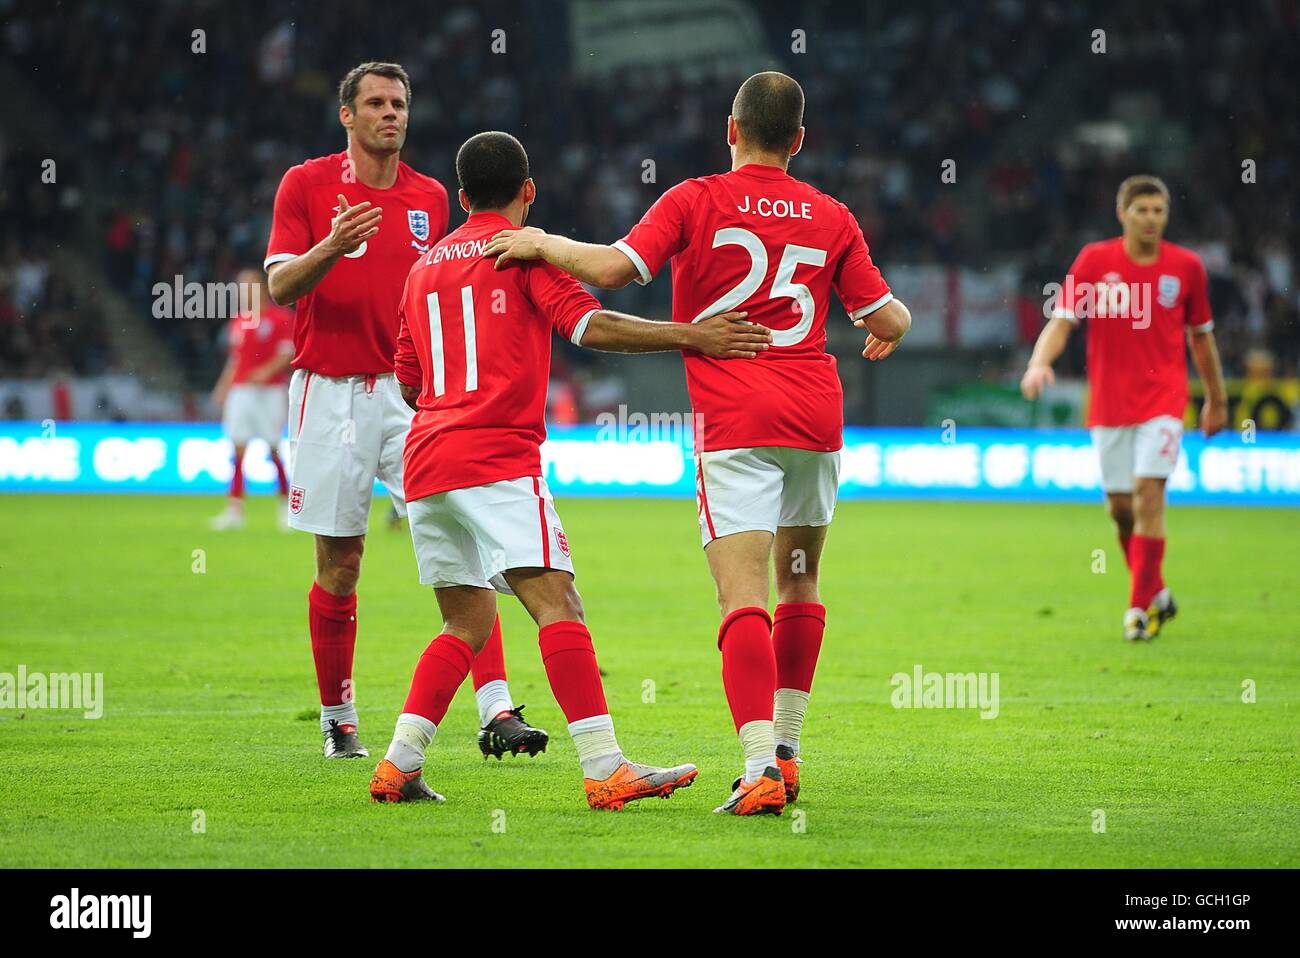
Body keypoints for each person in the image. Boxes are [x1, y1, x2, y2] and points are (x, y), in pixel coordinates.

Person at [483, 72, 911, 815]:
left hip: (739, 422)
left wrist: (542, 241)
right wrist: (880, 330)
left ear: (731, 130)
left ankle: (757, 768)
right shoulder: (832, 213)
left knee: (740, 596)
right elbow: (893, 317)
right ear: (800, 140)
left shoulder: (696, 198)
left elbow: (614, 270)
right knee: (800, 583)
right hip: (815, 420)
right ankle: (788, 750)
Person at [370, 131, 771, 807]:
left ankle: (399, 764)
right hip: (495, 456)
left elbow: (408, 383)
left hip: (427, 461)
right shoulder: (523, 252)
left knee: (465, 624)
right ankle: (605, 766)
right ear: (529, 191)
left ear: (461, 198)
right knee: (560, 606)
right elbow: (592, 328)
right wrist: (692, 336)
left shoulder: (422, 269)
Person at [264, 62, 540, 760]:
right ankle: (339, 717)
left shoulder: (427, 197)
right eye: (377, 104)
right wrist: (331, 245)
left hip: (413, 393)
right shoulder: (305, 185)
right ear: (347, 117)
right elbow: (277, 286)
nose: (392, 114)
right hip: (331, 391)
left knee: (467, 542)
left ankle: (497, 709)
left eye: (400, 104)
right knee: (343, 561)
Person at [1021, 174, 1228, 641]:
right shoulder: (1095, 261)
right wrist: (1038, 363)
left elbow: (1202, 339)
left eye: (1159, 211)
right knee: (1120, 509)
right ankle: (1156, 591)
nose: (1151, 219)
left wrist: (1216, 399)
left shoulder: (1187, 267)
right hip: (1110, 404)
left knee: (1148, 495)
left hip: (1165, 401)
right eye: (1142, 210)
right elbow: (1062, 322)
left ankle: (1138, 611)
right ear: (1123, 214)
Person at [209, 268, 293, 531]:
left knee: (273, 448)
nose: (244, 291)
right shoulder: (239, 320)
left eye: (248, 286)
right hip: (241, 392)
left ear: (262, 288)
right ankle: (235, 509)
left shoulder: (280, 317)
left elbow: (288, 353)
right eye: (240, 286)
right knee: (238, 449)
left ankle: (286, 508)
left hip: (269, 392)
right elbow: (235, 359)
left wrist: (266, 371)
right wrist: (222, 387)